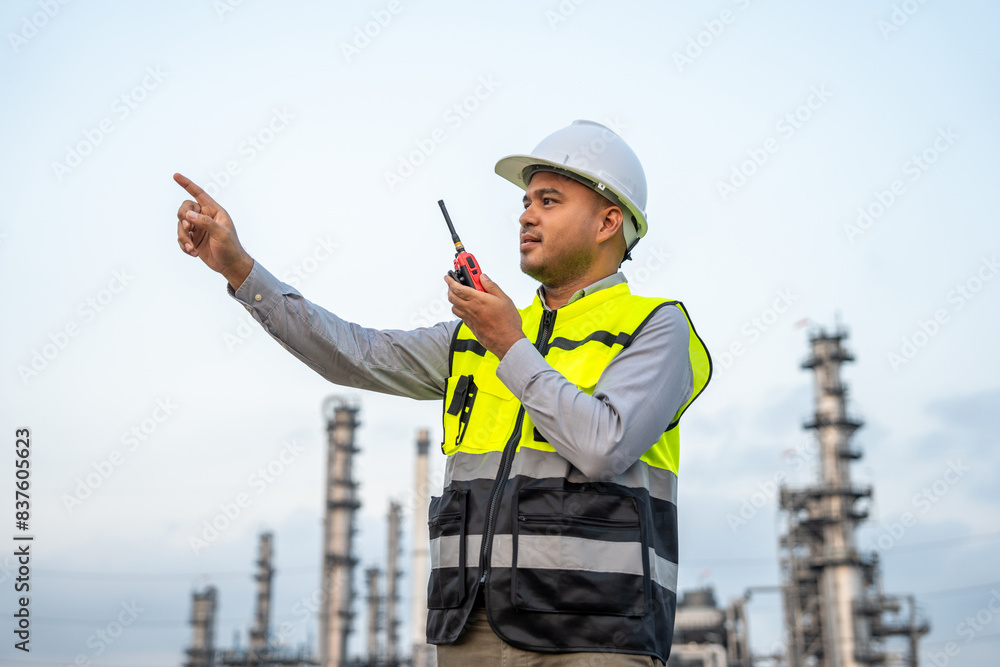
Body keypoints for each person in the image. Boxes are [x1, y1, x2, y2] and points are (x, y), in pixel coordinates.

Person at [174, 120, 712, 666]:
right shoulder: (477, 339)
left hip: (595, 636)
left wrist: (510, 344)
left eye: (548, 201)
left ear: (608, 222)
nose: (526, 214)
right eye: (526, 202)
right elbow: (352, 353)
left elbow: (603, 446)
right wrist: (239, 269)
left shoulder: (654, 328)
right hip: (468, 630)